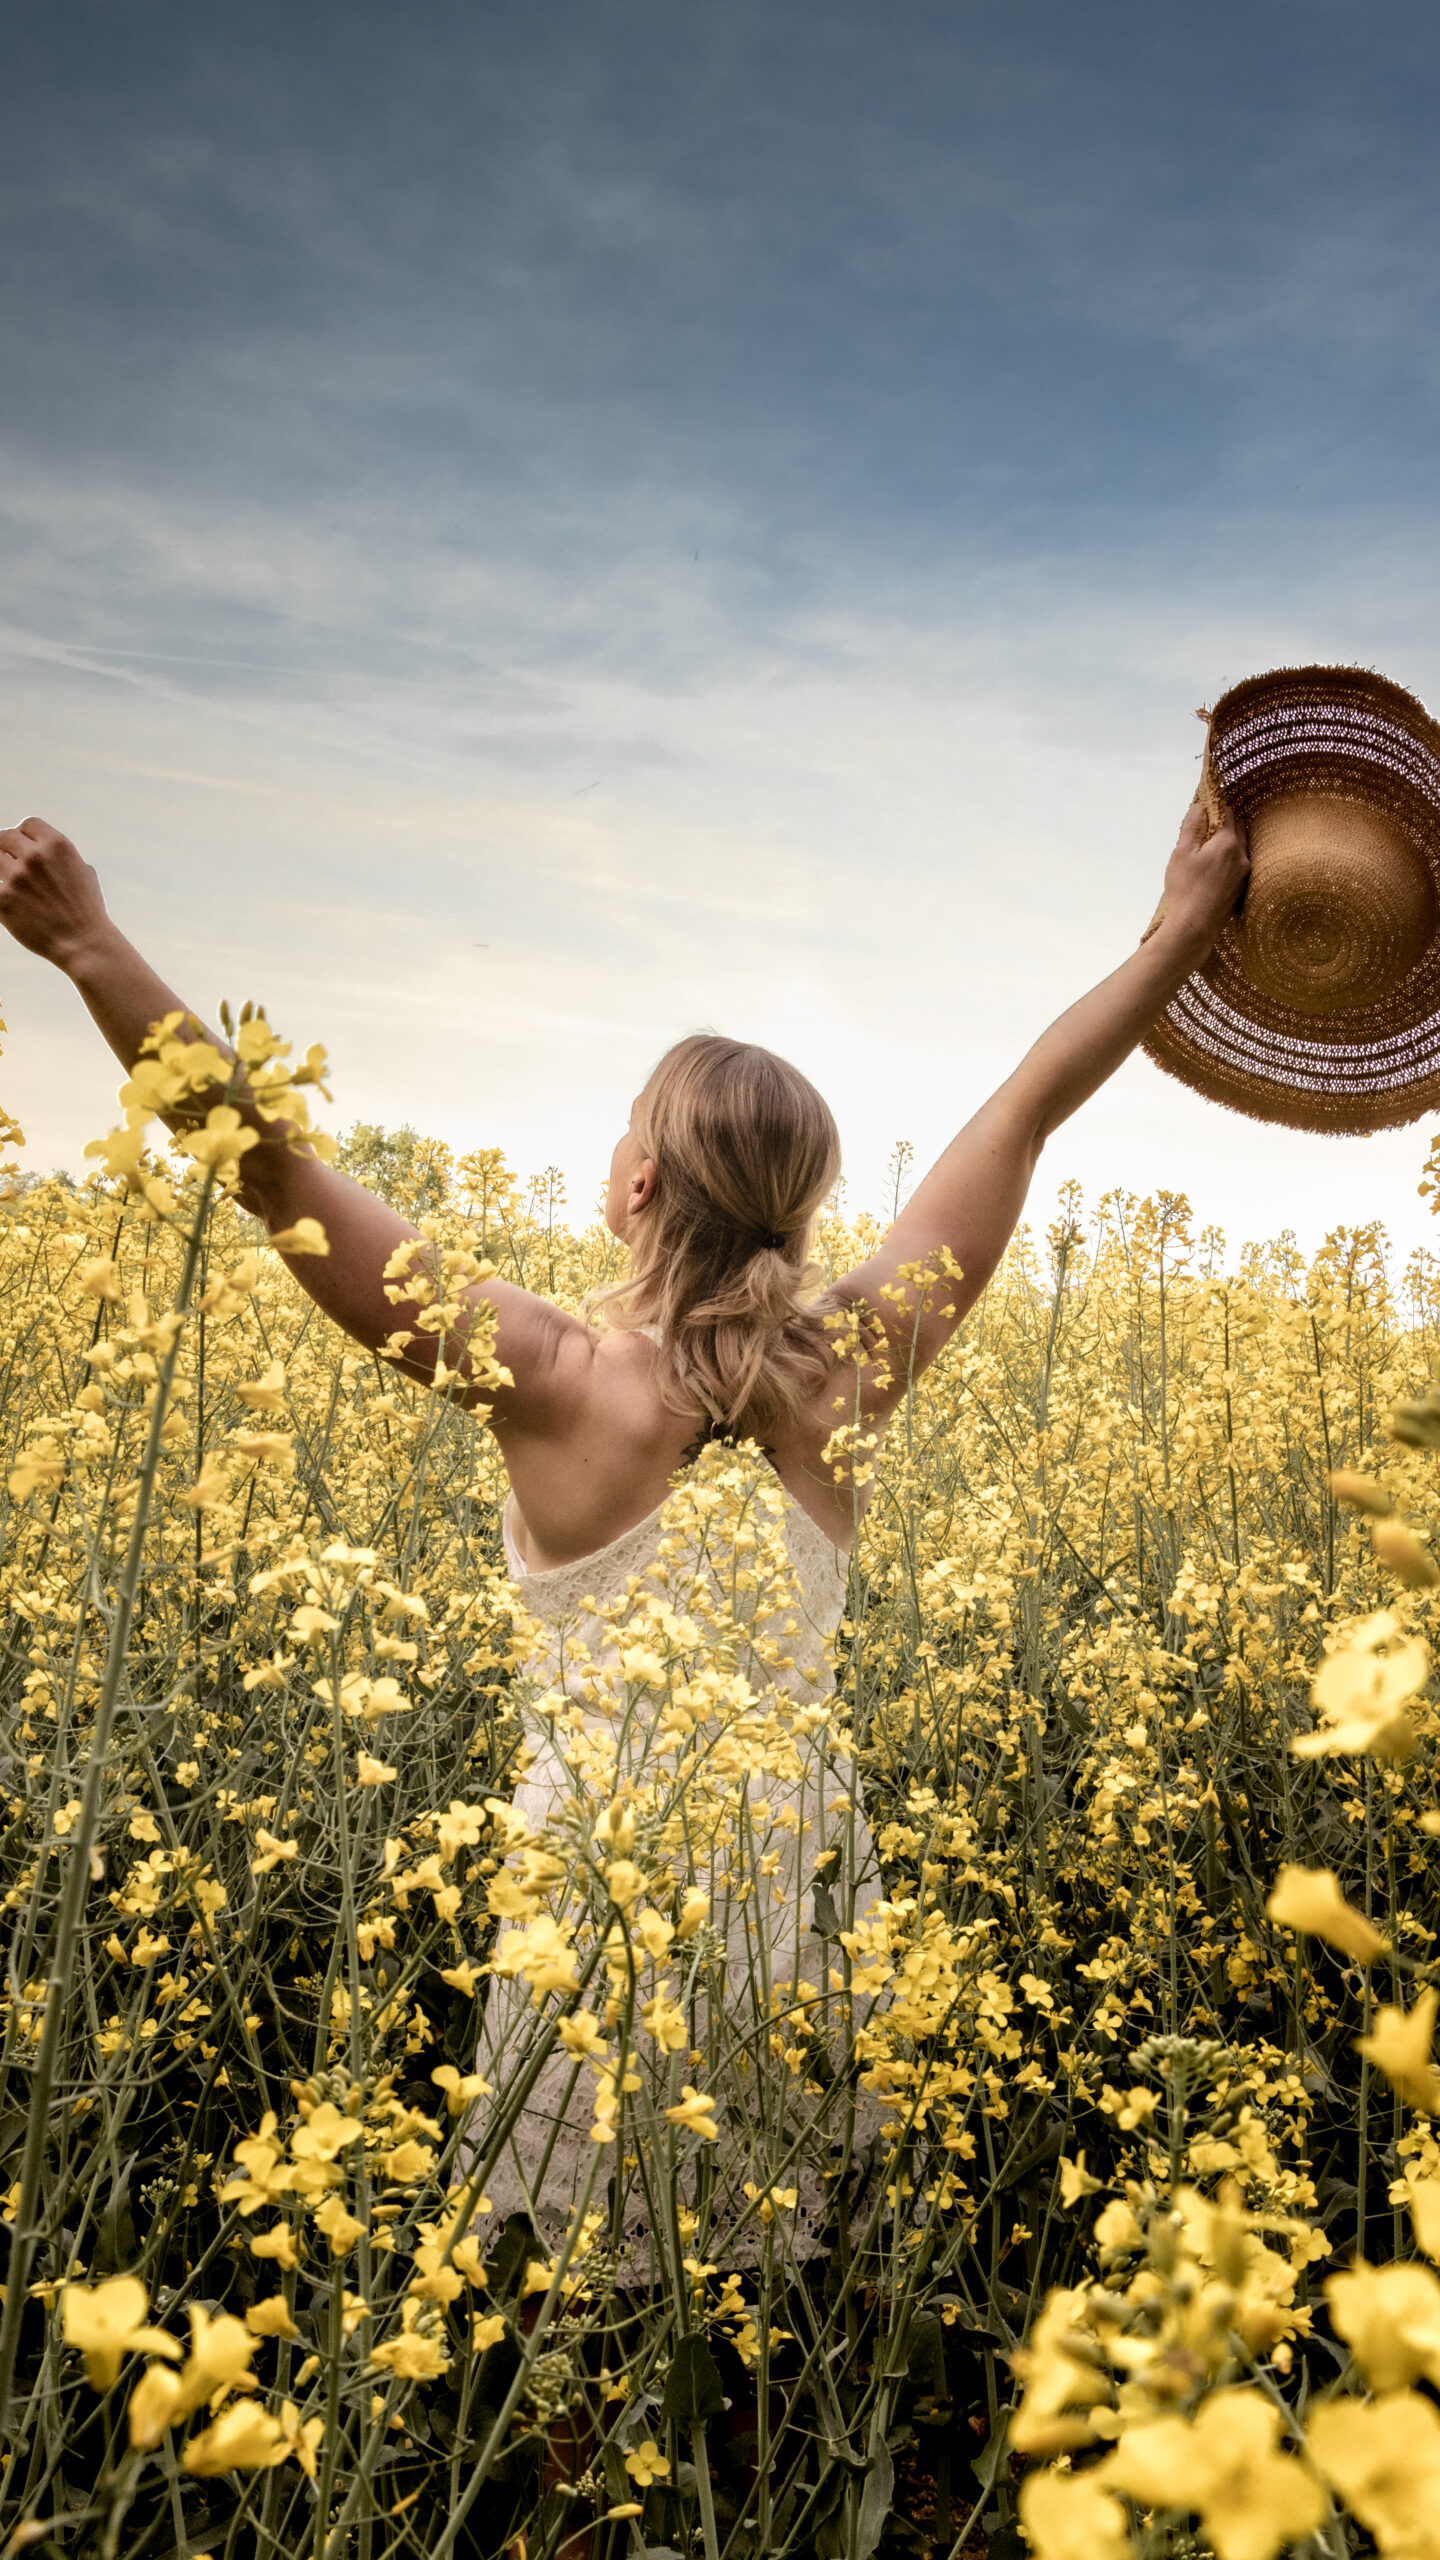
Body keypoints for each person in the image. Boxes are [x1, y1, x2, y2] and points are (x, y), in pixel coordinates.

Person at [0, 795, 1249, 2280]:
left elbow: (267, 1166)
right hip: (796, 1876)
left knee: (573, 2289)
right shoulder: (848, 1367)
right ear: (795, 1210)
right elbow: (1027, 1108)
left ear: (642, 1182)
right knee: (791, 2286)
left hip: (594, 1888)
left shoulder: (545, 1372)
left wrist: (88, 941)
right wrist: (1178, 934)